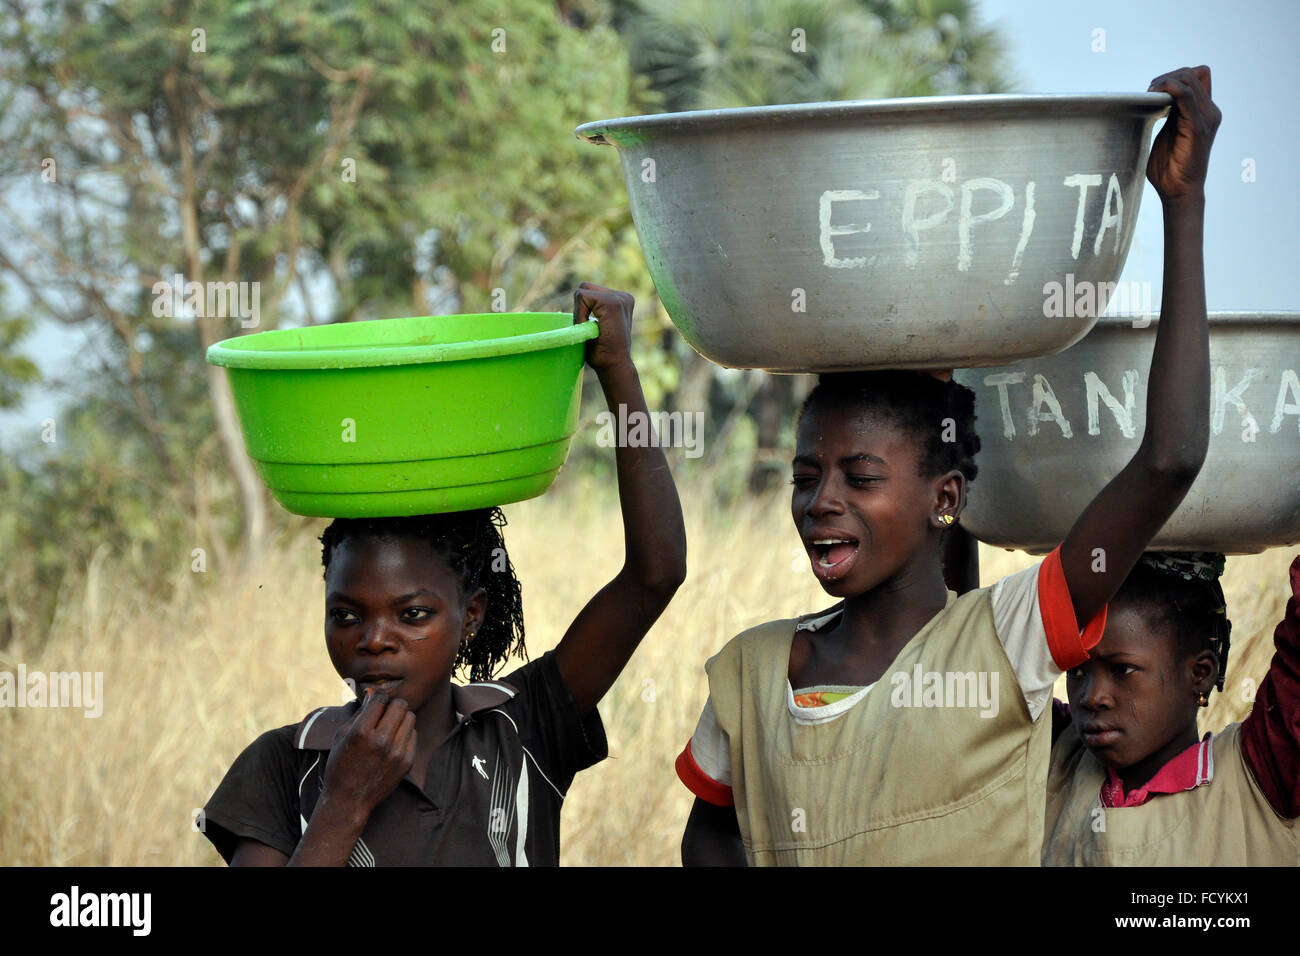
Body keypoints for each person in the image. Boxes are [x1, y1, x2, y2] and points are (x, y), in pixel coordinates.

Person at [676, 66, 1220, 865]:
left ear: (947, 496)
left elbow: (1169, 461)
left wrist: (1183, 202)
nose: (820, 501)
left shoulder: (1008, 639)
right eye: (805, 476)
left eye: (861, 477)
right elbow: (711, 839)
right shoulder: (752, 672)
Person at [201, 282, 687, 866]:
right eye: (346, 614)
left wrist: (617, 369)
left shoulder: (522, 727)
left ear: (471, 615)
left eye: (413, 615)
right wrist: (344, 802)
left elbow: (655, 575)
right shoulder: (284, 763)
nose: (374, 639)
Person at [1042, 552, 1300, 865]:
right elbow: (978, 641)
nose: (1092, 697)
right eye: (1077, 671)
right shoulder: (1056, 755)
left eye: (1122, 670)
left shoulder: (1261, 773)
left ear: (1200, 673)